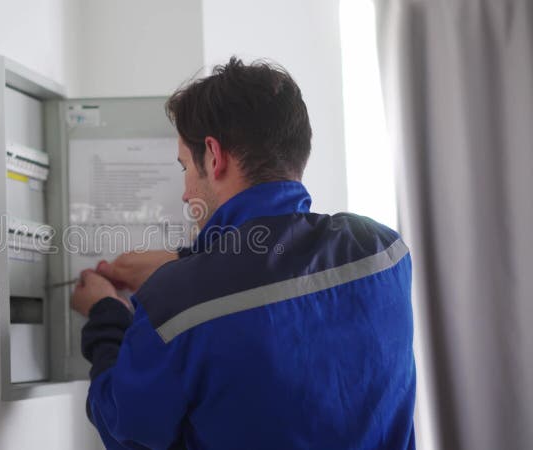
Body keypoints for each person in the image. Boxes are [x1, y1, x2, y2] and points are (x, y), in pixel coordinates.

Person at [70, 57, 415, 449]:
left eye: (184, 166)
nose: (184, 193)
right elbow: (279, 277)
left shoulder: (177, 303)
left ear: (214, 156)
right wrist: (183, 263)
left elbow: (127, 430)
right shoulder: (383, 251)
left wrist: (106, 316)